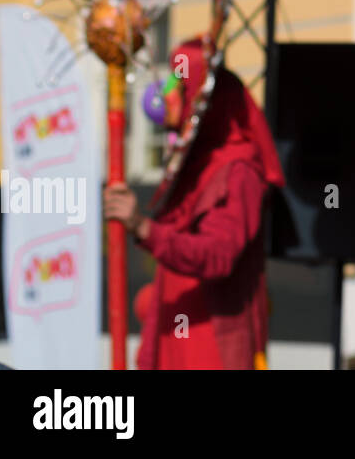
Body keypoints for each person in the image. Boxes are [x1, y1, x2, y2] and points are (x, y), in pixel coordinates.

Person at [103, 38, 284, 369]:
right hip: (175, 342)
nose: (167, 95)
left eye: (180, 84)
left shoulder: (238, 170)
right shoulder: (192, 165)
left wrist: (142, 227)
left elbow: (217, 257)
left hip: (208, 350)